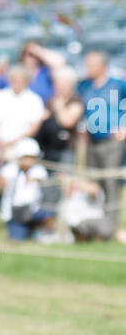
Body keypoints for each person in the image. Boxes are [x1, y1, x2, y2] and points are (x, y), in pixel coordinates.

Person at [0, 64, 46, 234]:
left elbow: (33, 127)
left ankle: (19, 221)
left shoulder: (34, 100)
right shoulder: (0, 97)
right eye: (14, 79)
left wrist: (13, 142)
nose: (17, 83)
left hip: (22, 151)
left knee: (20, 188)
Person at [78, 50, 126, 227]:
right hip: (91, 142)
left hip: (112, 142)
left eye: (90, 65)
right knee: (93, 182)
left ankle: (110, 225)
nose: (87, 69)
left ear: (102, 66)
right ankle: (94, 222)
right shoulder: (85, 86)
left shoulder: (117, 85)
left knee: (110, 181)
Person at [0, 138, 56, 241]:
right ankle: (28, 231)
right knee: (16, 238)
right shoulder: (10, 169)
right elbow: (1, 179)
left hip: (33, 210)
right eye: (26, 157)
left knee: (47, 215)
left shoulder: (38, 170)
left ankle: (47, 233)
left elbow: (41, 179)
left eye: (32, 158)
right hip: (15, 214)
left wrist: (33, 179)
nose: (29, 161)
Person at [37, 65, 83, 166]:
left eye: (61, 83)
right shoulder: (51, 100)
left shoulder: (75, 101)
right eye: (56, 83)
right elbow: (41, 119)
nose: (58, 86)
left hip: (65, 151)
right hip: (47, 149)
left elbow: (67, 121)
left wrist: (59, 107)